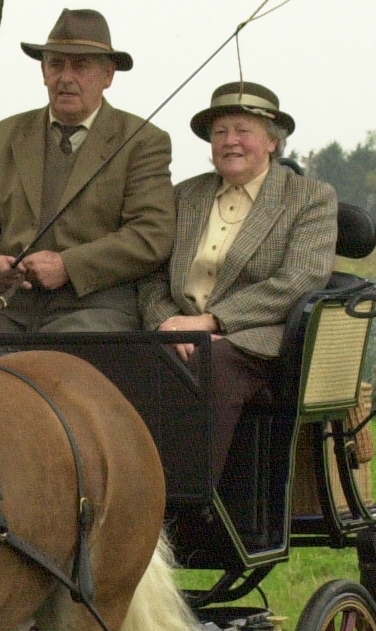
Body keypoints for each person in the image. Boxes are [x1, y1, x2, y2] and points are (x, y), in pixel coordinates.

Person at [140, 81, 337, 485]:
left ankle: (186, 497)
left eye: (243, 131)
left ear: (272, 143)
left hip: (259, 341)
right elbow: (150, 273)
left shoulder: (310, 198)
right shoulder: (183, 196)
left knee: (210, 364)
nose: (230, 142)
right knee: (117, 360)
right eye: (220, 132)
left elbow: (298, 280)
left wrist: (211, 323)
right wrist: (167, 324)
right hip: (175, 333)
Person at [0, 9, 174, 333]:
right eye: (56, 65)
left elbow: (152, 234)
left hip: (95, 308)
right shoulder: (5, 135)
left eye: (80, 66)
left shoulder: (143, 141)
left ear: (108, 75)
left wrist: (69, 266)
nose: (66, 78)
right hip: (6, 306)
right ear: (43, 72)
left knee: (65, 376)